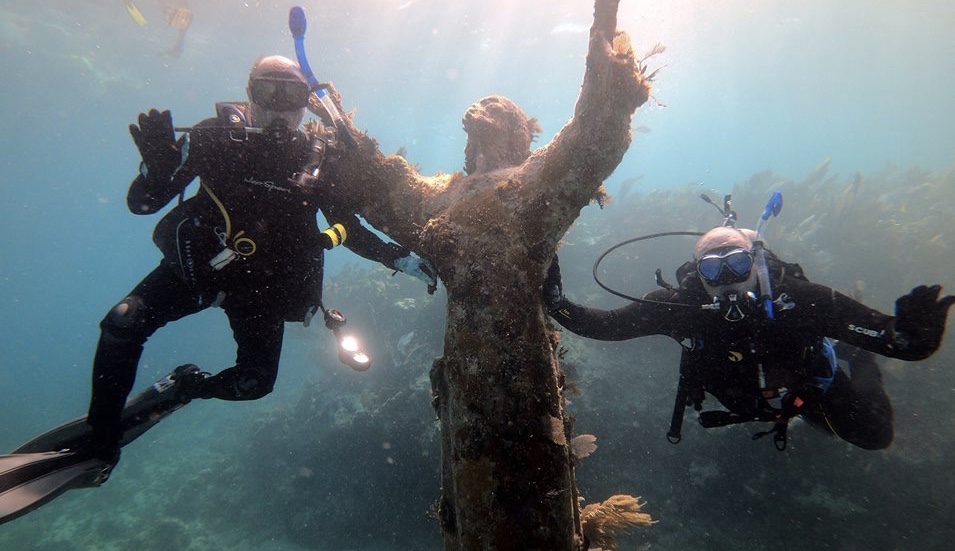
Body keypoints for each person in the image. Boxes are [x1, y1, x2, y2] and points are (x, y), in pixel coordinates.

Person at [87, 55, 436, 472]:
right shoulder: (212, 137)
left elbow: (350, 230)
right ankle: (100, 445)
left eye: (292, 95)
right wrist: (156, 171)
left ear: (307, 103)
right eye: (267, 91)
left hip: (265, 288)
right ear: (249, 95)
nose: (279, 107)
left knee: (254, 383)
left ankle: (185, 388)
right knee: (122, 323)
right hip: (199, 268)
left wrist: (404, 260)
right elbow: (142, 204)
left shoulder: (316, 162)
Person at [543, 224, 953, 450]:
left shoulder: (801, 300)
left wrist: (914, 336)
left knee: (876, 436)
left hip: (811, 386)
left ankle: (856, 358)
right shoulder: (680, 309)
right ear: (697, 277)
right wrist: (555, 300)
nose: (726, 282)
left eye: (736, 264)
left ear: (757, 265)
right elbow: (603, 326)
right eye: (712, 271)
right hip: (744, 401)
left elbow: (898, 341)